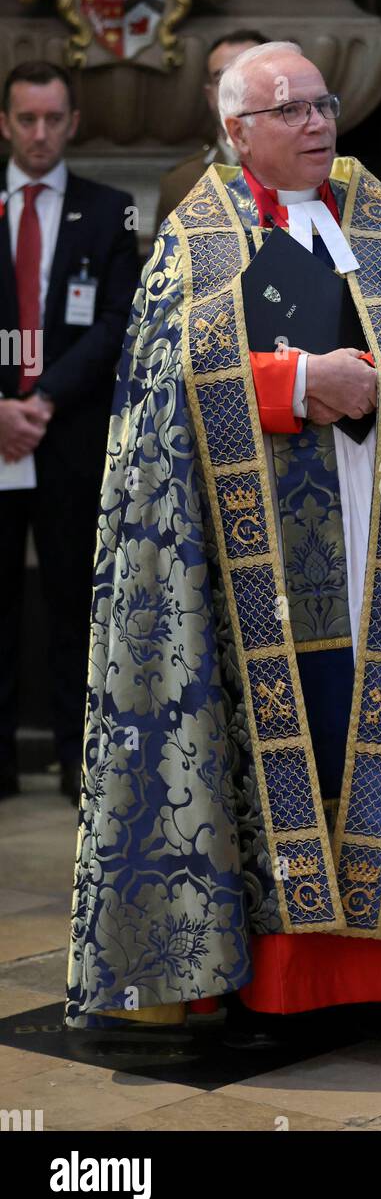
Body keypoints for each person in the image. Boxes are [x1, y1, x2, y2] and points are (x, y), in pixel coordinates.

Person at [65, 40, 381, 1048]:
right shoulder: (197, 240)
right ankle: (269, 991)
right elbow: (159, 390)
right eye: (290, 109)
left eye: (323, 103)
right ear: (238, 130)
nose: (316, 123)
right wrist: (297, 384)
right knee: (277, 765)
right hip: (248, 569)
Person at [0, 60, 140, 802]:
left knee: (74, 602)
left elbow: (119, 322)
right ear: (5, 123)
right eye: (27, 119)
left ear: (74, 122)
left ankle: (75, 763)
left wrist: (42, 398)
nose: (41, 133)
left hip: (70, 435)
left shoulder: (108, 208)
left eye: (54, 119)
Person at [154, 29, 269, 229]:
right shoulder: (182, 183)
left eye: (250, 74)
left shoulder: (322, 172)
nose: (235, 88)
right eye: (223, 78)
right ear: (210, 95)